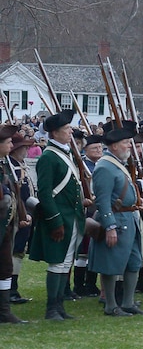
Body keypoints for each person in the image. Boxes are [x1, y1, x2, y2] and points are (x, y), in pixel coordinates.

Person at [29, 110, 89, 321]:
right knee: (57, 263)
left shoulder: (65, 153)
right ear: (54, 133)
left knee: (66, 262)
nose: (70, 131)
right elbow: (45, 191)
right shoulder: (48, 157)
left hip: (71, 216)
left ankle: (60, 305)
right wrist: (55, 220)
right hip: (59, 218)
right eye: (66, 129)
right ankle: (51, 308)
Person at [89, 121, 143, 317]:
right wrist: (110, 227)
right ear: (114, 146)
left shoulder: (118, 165)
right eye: (126, 143)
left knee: (133, 262)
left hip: (128, 219)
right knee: (110, 263)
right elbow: (103, 201)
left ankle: (128, 302)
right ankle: (111, 305)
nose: (130, 146)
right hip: (116, 220)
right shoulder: (105, 167)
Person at [0, 126, 30, 323]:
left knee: (5, 268)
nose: (12, 145)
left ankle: (4, 311)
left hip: (6, 226)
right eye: (8, 142)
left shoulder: (4, 167)